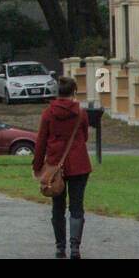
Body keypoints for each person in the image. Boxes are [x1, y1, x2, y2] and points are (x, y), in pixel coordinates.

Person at [32, 76, 91, 259]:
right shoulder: (81, 113)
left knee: (57, 206)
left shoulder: (49, 114)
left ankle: (60, 248)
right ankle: (75, 248)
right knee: (76, 207)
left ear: (58, 92)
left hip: (55, 166)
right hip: (79, 165)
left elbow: (41, 142)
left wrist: (37, 166)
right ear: (74, 92)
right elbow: (85, 137)